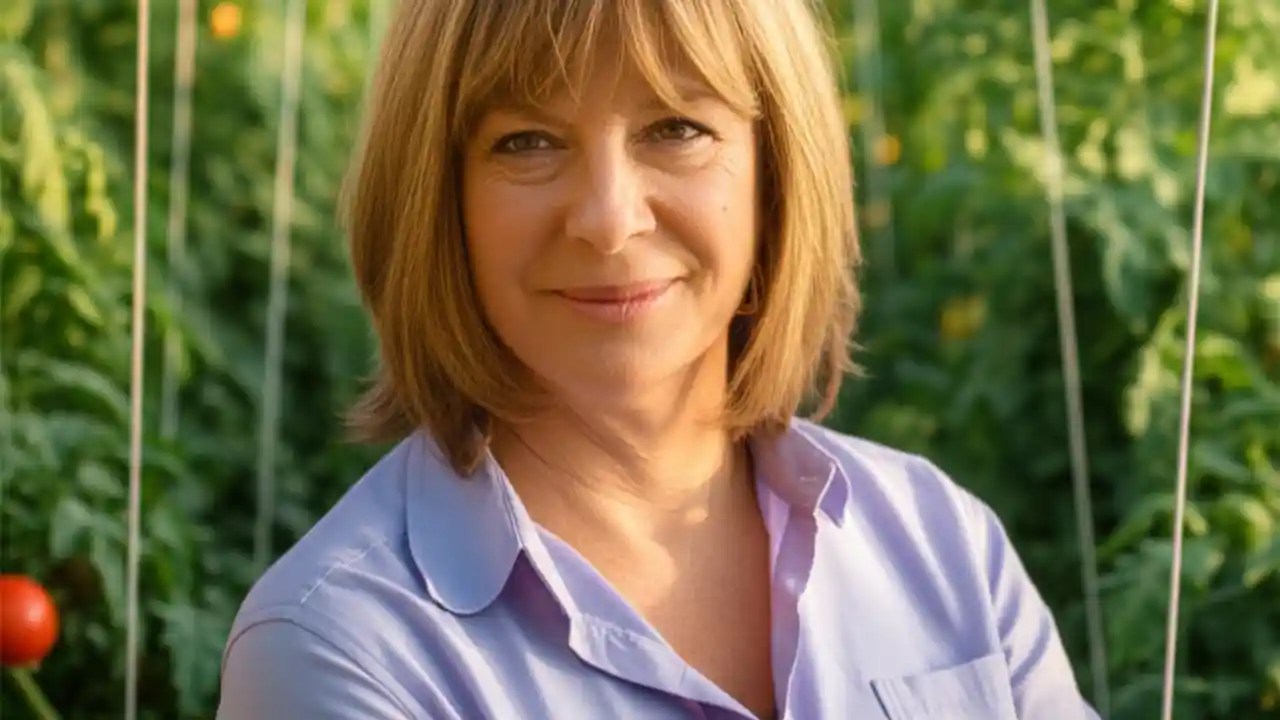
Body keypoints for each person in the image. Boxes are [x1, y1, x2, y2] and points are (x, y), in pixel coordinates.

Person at [217, 0, 1100, 718]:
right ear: (439, 201)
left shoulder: (946, 549)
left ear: (774, 174)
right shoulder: (340, 647)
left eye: (676, 128)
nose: (608, 217)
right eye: (527, 141)